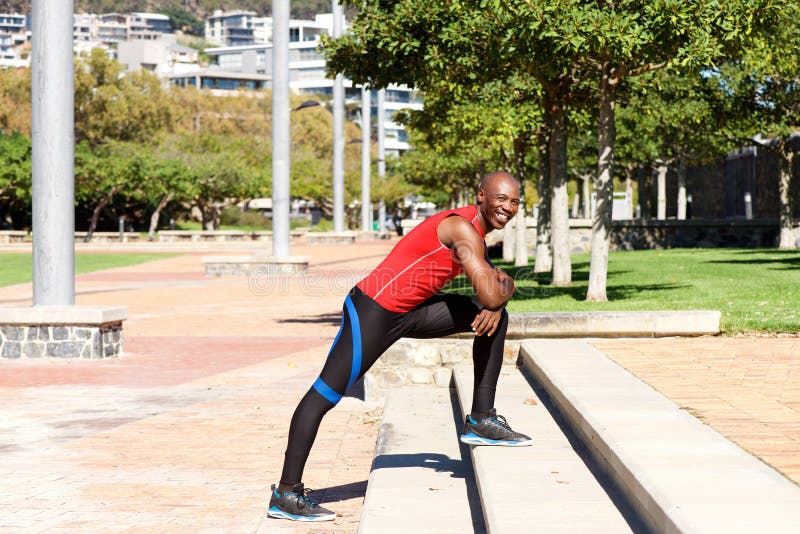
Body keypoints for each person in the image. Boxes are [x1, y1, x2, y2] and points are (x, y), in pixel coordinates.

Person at [268, 171, 531, 522]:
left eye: (514, 201)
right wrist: (502, 293)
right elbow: (490, 290)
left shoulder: (474, 232)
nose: (508, 207)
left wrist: (499, 298)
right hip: (372, 310)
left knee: (495, 316)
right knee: (325, 393)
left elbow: (492, 285)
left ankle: (481, 418)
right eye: (501, 198)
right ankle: (286, 493)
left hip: (410, 311)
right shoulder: (462, 229)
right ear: (481, 195)